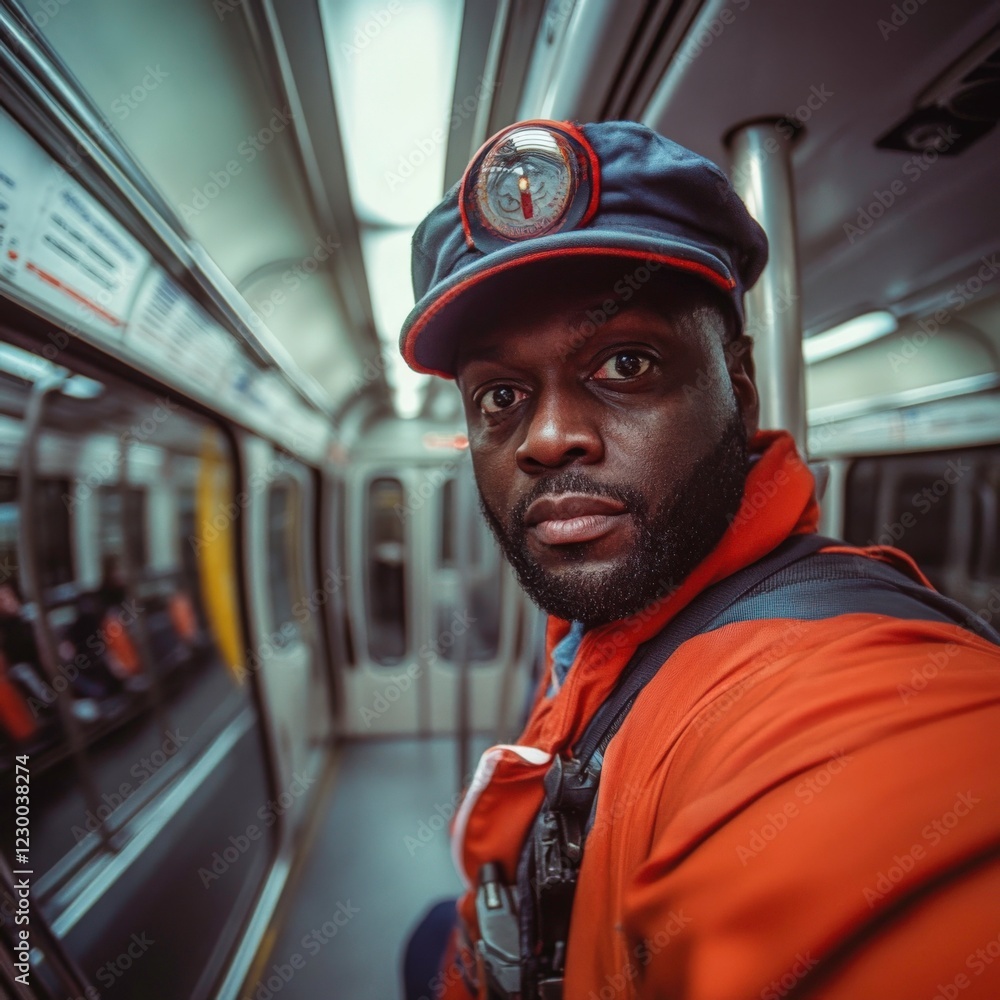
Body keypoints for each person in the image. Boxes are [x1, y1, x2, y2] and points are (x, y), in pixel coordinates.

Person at [398, 120, 1000, 999]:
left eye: (626, 362)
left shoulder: (864, 709)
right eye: (500, 396)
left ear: (739, 389)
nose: (548, 437)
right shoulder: (605, 620)